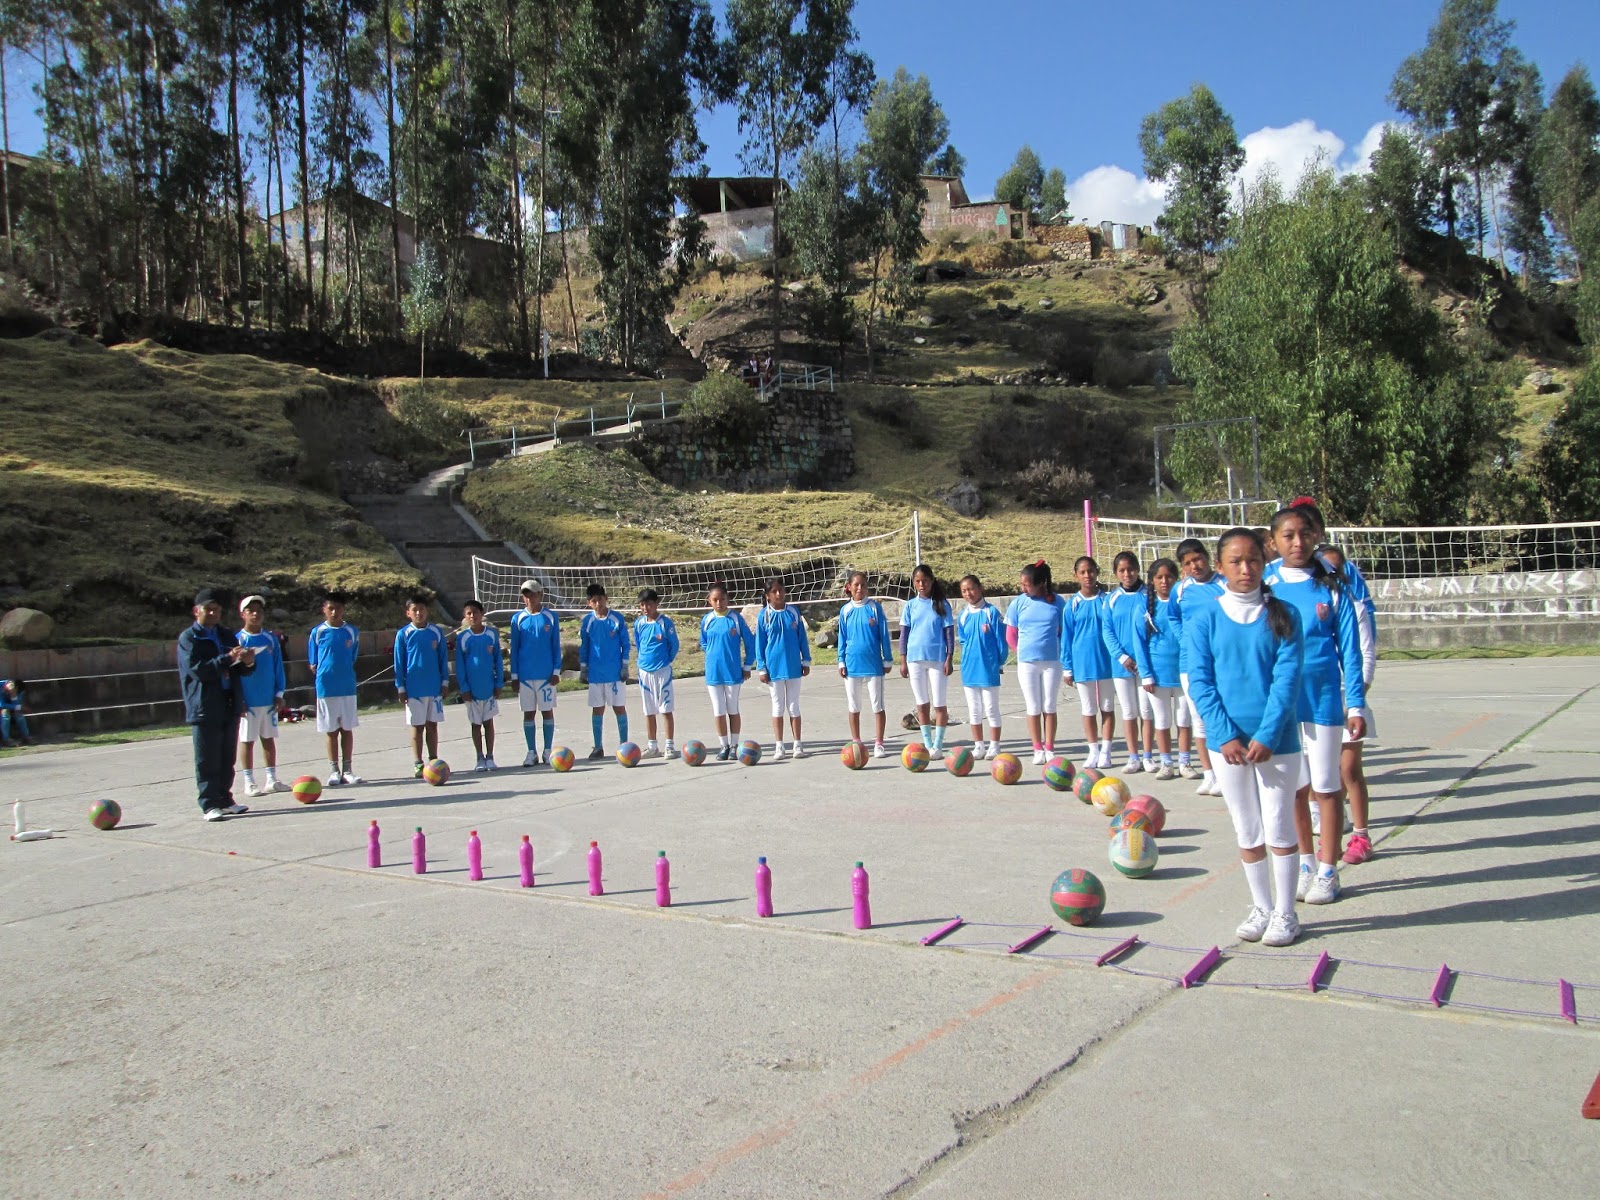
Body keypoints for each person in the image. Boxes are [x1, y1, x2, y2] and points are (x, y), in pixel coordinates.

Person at [1185, 528, 1306, 947]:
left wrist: (1269, 734)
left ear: (1263, 563)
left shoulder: (1285, 614)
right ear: (1220, 567)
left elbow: (1286, 680)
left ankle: (1286, 914)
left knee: (1278, 826)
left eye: (1253, 560)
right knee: (1247, 830)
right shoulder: (1205, 618)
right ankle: (1262, 907)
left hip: (1278, 742)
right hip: (1229, 746)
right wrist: (1223, 736)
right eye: (1235, 561)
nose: (1245, 568)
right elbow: (1200, 683)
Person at [1264, 508, 1367, 906]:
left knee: (1326, 784)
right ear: (1274, 541)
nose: (1298, 542)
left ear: (1317, 536)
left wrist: (1354, 702)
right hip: (1282, 699)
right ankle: (1306, 861)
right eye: (1288, 535)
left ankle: (1328, 868)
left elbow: (1351, 651)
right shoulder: (1266, 582)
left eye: (1305, 534)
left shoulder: (1332, 585)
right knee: (1295, 786)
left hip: (1324, 696)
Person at [1321, 544, 1379, 863]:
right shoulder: (1311, 605)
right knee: (1322, 775)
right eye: (1323, 569)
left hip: (1348, 700)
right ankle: (1333, 829)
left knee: (1349, 769)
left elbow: (1365, 656)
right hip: (1319, 702)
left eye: (1334, 570)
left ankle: (1361, 835)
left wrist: (1356, 699)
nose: (1329, 575)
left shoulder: (1354, 608)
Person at [178, 587, 256, 822]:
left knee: (226, 756)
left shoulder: (225, 635)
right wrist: (227, 658)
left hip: (228, 701)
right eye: (208, 610)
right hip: (204, 705)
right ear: (196, 611)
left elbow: (240, 670)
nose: (212, 614)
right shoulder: (189, 639)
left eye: (216, 610)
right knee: (207, 757)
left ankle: (225, 798)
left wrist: (248, 662)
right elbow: (198, 670)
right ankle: (209, 803)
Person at [1175, 538, 1226, 795]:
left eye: (1197, 559)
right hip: (1190, 663)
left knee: (1222, 714)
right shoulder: (1181, 589)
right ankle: (1209, 773)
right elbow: (1172, 616)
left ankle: (1227, 770)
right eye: (1187, 563)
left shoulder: (1225, 584)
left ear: (1207, 557)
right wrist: (1184, 638)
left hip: (1222, 661)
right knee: (1199, 718)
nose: (1194, 566)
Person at [1006, 560, 1066, 766]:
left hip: (1052, 662)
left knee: (1049, 705)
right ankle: (1037, 748)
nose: (1023, 588)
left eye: (1027, 584)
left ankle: (1049, 747)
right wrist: (1022, 652)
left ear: (1040, 583)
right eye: (1022, 584)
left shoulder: (1057, 602)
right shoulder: (1018, 603)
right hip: (1027, 664)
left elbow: (1064, 632)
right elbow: (1011, 635)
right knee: (1033, 706)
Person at [899, 563, 956, 760]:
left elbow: (949, 633)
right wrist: (903, 659)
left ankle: (938, 745)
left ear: (931, 581)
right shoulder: (910, 605)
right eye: (917, 581)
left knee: (939, 705)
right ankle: (928, 742)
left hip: (937, 659)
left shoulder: (942, 604)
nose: (921, 584)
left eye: (925, 580)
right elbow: (904, 634)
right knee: (922, 703)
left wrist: (949, 657)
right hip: (915, 659)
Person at [1062, 556, 1114, 769]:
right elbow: (1066, 637)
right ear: (1076, 575)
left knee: (1107, 707)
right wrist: (1067, 667)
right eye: (1082, 572)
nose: (1087, 575)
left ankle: (1106, 751)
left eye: (1091, 571)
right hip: (1082, 664)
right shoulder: (1072, 605)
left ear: (1097, 572)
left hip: (1107, 664)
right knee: (1088, 709)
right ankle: (1093, 750)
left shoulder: (1107, 601)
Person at [235, 595, 289, 795]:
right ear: (243, 615)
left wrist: (278, 693)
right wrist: (238, 698)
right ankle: (249, 781)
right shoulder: (237, 640)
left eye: (259, 610)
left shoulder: (270, 640)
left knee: (268, 739)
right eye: (251, 611)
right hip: (247, 702)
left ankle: (271, 779)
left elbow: (278, 669)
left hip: (268, 700)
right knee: (247, 741)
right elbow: (232, 673)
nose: (255, 614)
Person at [837, 570, 894, 757]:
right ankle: (857, 742)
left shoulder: (875, 609)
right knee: (854, 706)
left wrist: (887, 658)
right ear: (849, 588)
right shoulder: (845, 611)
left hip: (873, 665)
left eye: (863, 585)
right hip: (852, 664)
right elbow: (842, 638)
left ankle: (879, 743)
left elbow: (884, 635)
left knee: (877, 705)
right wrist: (841, 661)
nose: (860, 588)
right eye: (856, 585)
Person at [308, 593, 363, 786]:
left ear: (343, 610)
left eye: (338, 608)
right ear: (324, 609)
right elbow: (313, 662)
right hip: (326, 688)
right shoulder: (318, 632)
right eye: (330, 608)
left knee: (346, 729)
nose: (334, 612)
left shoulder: (351, 631)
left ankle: (348, 769)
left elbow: (353, 656)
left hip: (347, 686)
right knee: (331, 730)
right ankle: (334, 770)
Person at [1101, 551, 1149, 773]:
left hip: (1146, 664)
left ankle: (1148, 755)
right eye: (1122, 570)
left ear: (1138, 569)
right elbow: (1107, 631)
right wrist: (1122, 657)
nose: (1127, 574)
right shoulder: (1111, 599)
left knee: (1147, 712)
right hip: (1121, 665)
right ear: (1116, 574)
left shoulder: (1150, 595)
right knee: (1129, 712)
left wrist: (1144, 659)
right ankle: (1133, 757)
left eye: (1130, 569)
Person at [755, 577, 811, 760]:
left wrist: (806, 661)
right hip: (774, 670)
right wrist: (762, 667)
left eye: (781, 590)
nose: (778, 594)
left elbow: (802, 637)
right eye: (774, 591)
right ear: (767, 596)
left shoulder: (793, 612)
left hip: (794, 667)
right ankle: (779, 746)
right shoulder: (764, 615)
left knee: (794, 706)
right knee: (778, 707)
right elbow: (760, 643)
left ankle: (797, 744)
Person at [395, 595, 450, 778]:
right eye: (415, 610)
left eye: (422, 609)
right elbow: (399, 663)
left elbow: (443, 659)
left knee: (432, 726)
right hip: (414, 689)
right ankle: (418, 763)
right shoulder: (404, 634)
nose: (419, 613)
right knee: (417, 727)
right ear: (408, 613)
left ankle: (434, 760)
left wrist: (444, 682)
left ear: (427, 611)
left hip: (434, 687)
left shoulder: (436, 632)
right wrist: (401, 687)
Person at [699, 581, 756, 760]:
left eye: (722, 599)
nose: (719, 603)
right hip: (713, 673)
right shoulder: (707, 620)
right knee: (718, 710)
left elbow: (750, 643)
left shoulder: (736, 619)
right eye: (715, 600)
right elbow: (704, 642)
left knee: (732, 708)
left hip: (732, 672)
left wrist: (747, 666)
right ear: (709, 601)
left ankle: (734, 744)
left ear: (727, 599)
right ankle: (723, 745)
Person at [1139, 560, 1184, 780]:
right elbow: (1139, 643)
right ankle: (1167, 763)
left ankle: (1184, 762)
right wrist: (1146, 674)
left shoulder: (1183, 603)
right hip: (1157, 675)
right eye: (1159, 577)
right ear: (1152, 581)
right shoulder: (1146, 607)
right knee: (1163, 721)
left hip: (1183, 672)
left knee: (1184, 721)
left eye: (1169, 577)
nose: (1165, 581)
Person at [509, 580, 562, 767]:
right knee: (528, 714)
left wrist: (557, 670)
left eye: (532, 594)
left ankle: (548, 750)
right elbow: (514, 649)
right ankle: (531, 752)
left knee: (547, 712)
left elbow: (556, 646)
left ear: (540, 594)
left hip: (546, 675)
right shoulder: (517, 619)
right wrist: (514, 676)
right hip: (525, 676)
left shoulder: (550, 617)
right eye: (526, 594)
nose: (529, 598)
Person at [955, 574, 1007, 759]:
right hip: (969, 670)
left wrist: (999, 662)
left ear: (980, 588)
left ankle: (995, 745)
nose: (968, 593)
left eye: (971, 588)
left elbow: (1002, 641)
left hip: (988, 669)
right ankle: (979, 745)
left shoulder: (991, 613)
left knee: (991, 709)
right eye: (964, 591)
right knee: (974, 710)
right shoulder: (963, 616)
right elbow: (962, 640)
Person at [579, 582, 630, 759]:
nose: (598, 603)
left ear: (606, 599)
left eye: (601, 599)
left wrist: (624, 666)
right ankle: (598, 747)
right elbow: (584, 646)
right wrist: (583, 668)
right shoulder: (588, 621)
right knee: (597, 710)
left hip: (614, 673)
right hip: (595, 674)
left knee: (619, 708)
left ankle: (624, 745)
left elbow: (625, 643)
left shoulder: (616, 619)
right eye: (594, 600)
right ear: (589, 603)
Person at [633, 588, 681, 758]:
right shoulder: (639, 623)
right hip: (644, 672)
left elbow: (674, 645)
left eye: (649, 604)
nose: (646, 608)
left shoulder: (665, 623)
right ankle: (652, 746)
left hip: (662, 672)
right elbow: (638, 643)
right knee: (648, 710)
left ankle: (669, 746)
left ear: (656, 604)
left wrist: (665, 661)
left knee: (666, 709)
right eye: (642, 605)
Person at [456, 599, 502, 772]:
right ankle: (479, 757)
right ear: (465, 617)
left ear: (482, 614)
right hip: (472, 691)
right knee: (475, 724)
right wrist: (464, 688)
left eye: (475, 612)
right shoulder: (463, 637)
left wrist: (498, 683)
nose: (472, 616)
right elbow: (460, 666)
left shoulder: (491, 635)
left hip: (488, 688)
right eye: (469, 613)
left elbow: (497, 660)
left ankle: (490, 756)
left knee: (488, 723)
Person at [1, 676, 32, 747]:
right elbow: (1, 705)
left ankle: (26, 737)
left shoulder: (19, 691)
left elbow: (17, 705)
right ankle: (6, 739)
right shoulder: (1, 686)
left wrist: (13, 696)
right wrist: (18, 707)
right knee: (5, 714)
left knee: (19, 714)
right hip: (3, 709)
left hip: (11, 708)